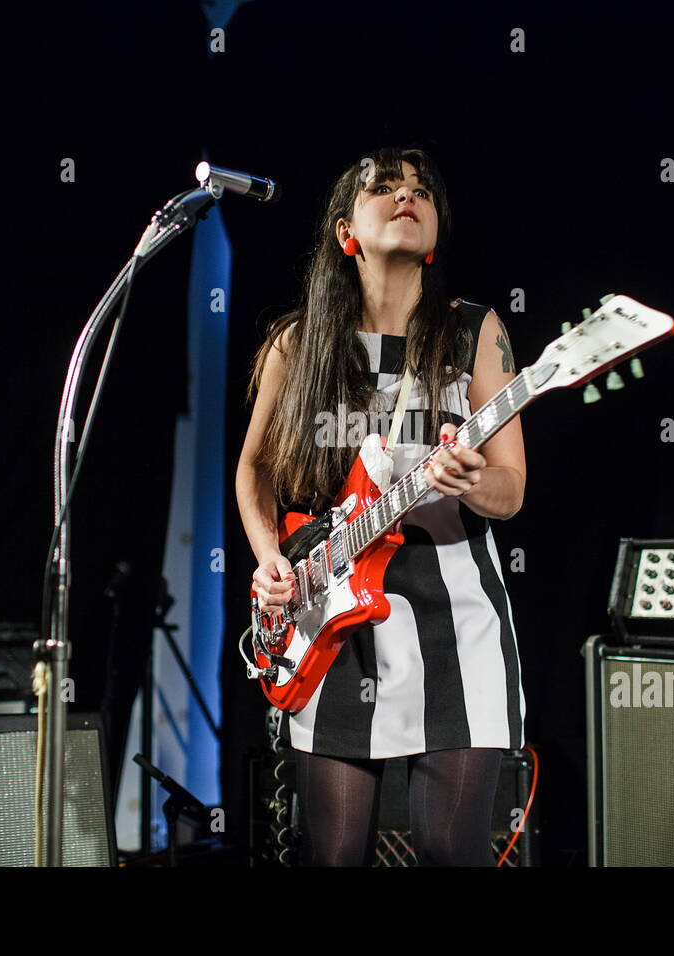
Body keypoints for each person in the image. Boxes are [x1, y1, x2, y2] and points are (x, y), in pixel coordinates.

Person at [236, 146, 525, 866]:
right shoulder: (296, 343)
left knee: (449, 846)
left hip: (456, 624)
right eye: (386, 188)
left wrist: (465, 481)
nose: (408, 196)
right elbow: (254, 472)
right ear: (345, 232)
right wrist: (271, 562)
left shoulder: (473, 331)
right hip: (333, 624)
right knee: (333, 855)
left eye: (422, 190)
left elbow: (511, 489)